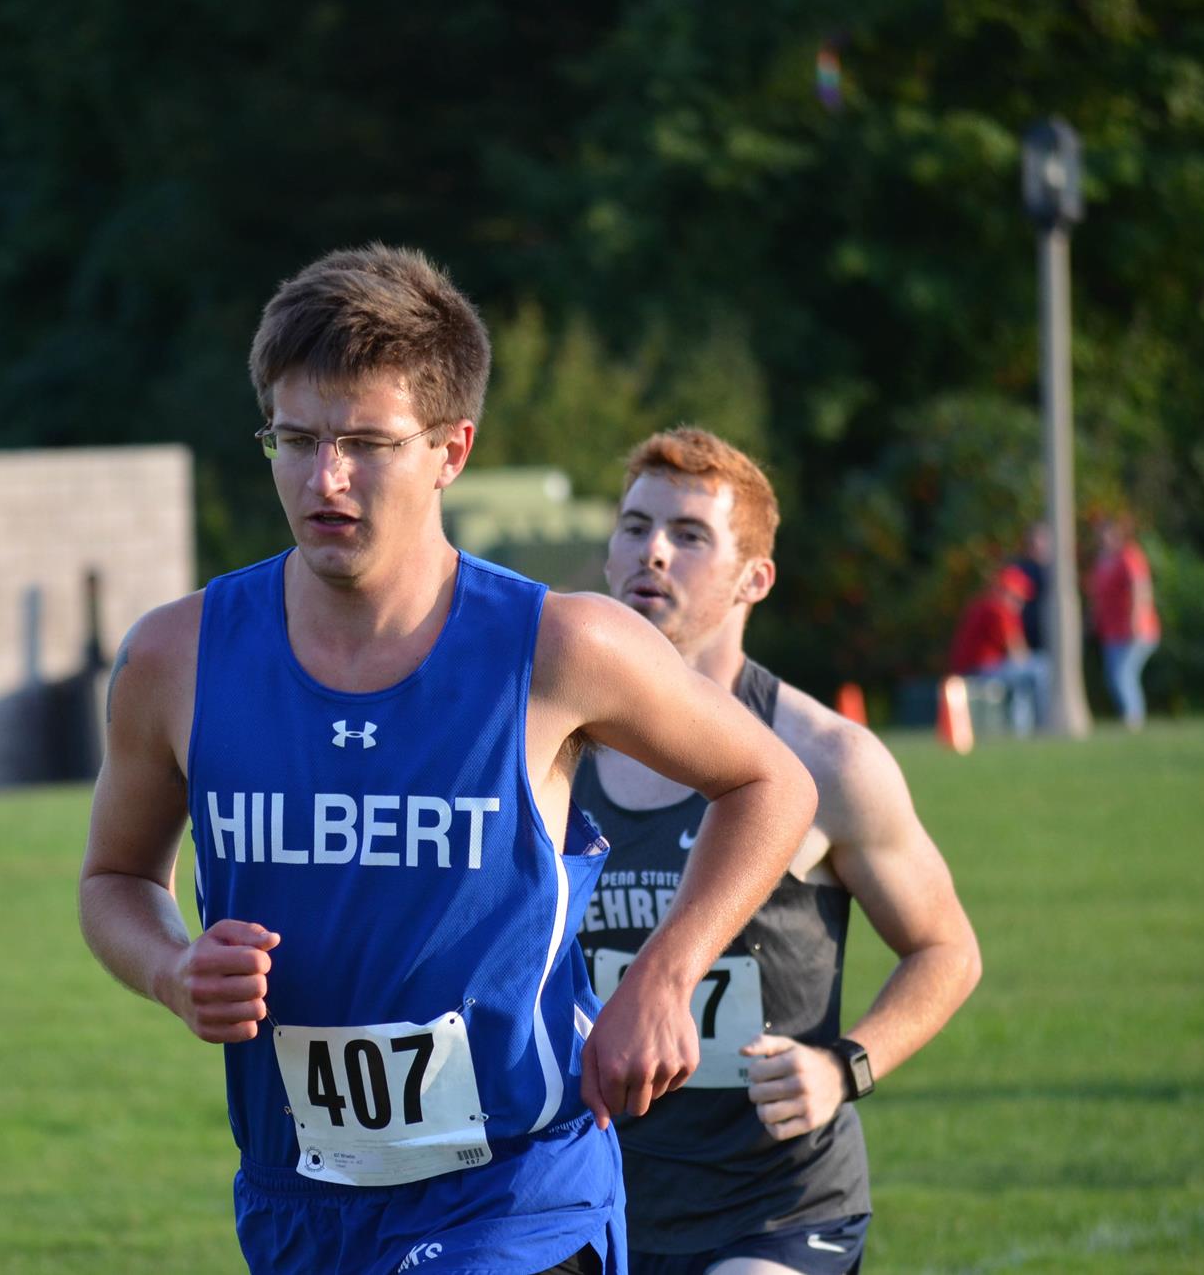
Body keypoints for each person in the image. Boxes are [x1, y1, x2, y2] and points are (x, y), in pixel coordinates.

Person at [78, 247, 818, 1275]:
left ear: (449, 449)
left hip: (514, 1192)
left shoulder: (560, 645)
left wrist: (663, 972)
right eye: (293, 440)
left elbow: (771, 780)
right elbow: (113, 879)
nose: (322, 477)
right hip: (299, 1198)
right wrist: (169, 969)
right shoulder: (177, 656)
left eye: (365, 444)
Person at [577, 427, 981, 1275]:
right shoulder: (546, 748)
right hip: (585, 1195)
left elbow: (946, 949)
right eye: (634, 526)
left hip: (775, 1212)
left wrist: (844, 1067)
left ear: (753, 578)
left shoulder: (829, 760)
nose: (652, 552)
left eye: (689, 536)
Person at [945, 567, 1043, 737]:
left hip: (979, 668)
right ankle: (1045, 722)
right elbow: (1018, 653)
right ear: (1005, 591)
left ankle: (1023, 729)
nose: (1020, 602)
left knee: (1024, 681)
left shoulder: (984, 604)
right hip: (980, 670)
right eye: (1017, 596)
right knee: (1041, 668)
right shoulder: (997, 608)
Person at [1089, 516, 1160, 730]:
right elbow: (1097, 598)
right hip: (1112, 631)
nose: (1103, 539)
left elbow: (1141, 588)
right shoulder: (1101, 561)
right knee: (1114, 676)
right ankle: (1129, 717)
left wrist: (1136, 619)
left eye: (1107, 534)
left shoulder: (1129, 557)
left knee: (1123, 674)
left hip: (1136, 629)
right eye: (1100, 535)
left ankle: (1133, 719)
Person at [1004, 523, 1052, 730]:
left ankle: (1041, 723)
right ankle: (1026, 727)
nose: (1036, 545)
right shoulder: (1019, 569)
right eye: (1033, 540)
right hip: (1024, 638)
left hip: (1047, 638)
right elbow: (1007, 606)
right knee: (1028, 680)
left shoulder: (1054, 570)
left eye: (1041, 540)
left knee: (1041, 678)